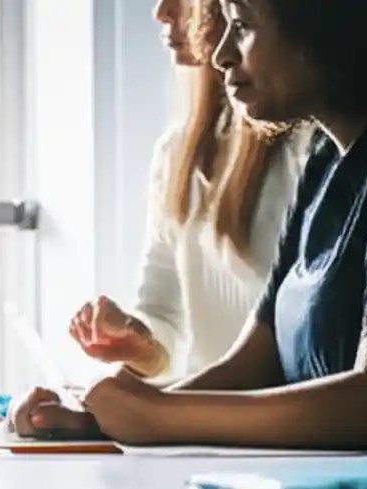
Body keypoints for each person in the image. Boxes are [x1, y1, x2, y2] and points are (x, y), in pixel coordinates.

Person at [12, 0, 367, 450]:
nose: (221, 53)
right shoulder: (325, 163)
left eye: (243, 26)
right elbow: (252, 365)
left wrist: (157, 414)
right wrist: (97, 420)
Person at [67, 0, 310, 382]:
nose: (161, 12)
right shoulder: (177, 152)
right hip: (209, 421)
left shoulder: (312, 149)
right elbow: (165, 323)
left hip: (260, 425)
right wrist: (139, 346)